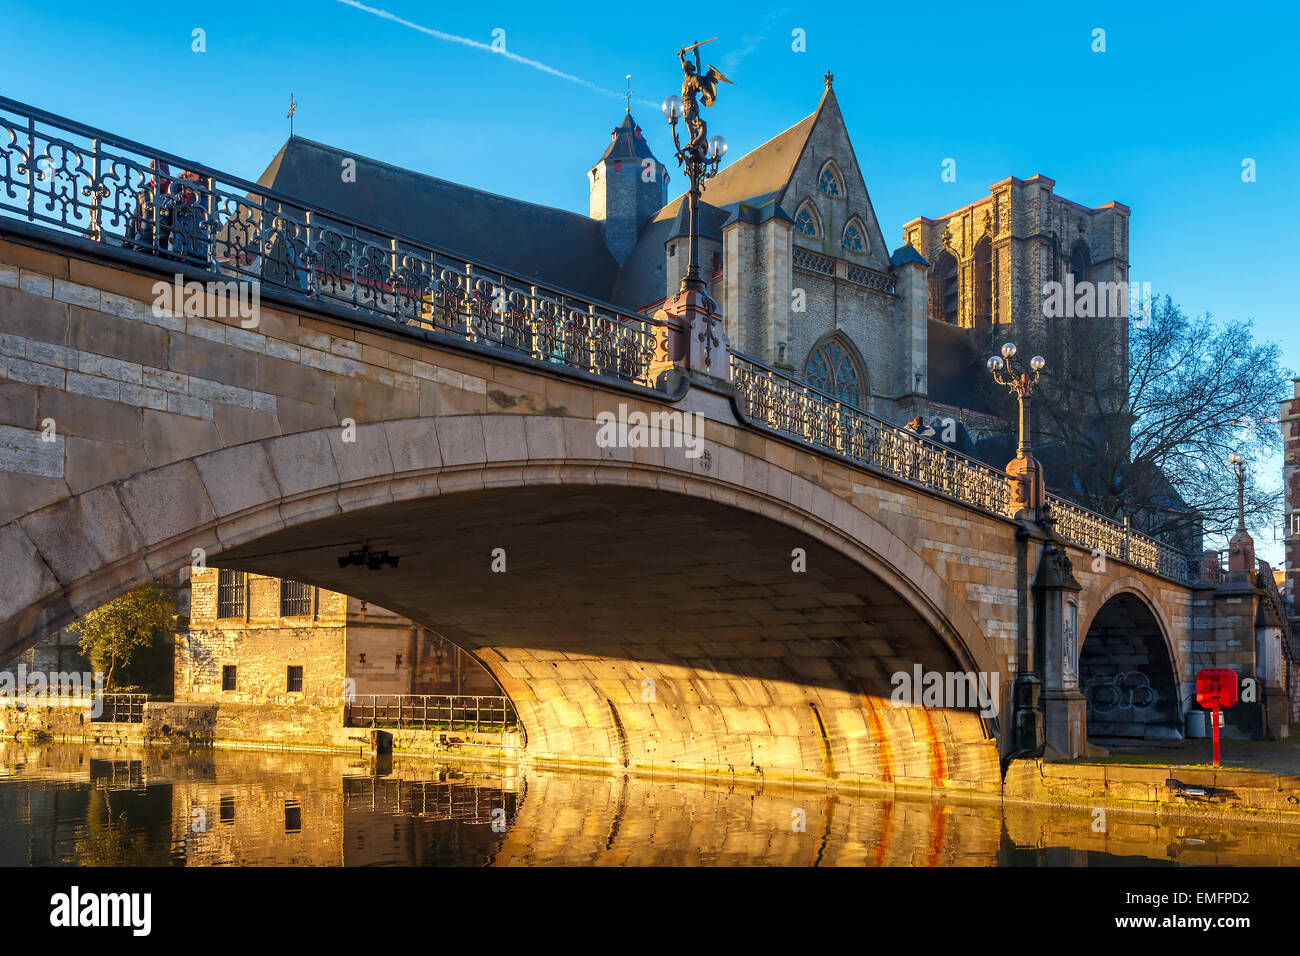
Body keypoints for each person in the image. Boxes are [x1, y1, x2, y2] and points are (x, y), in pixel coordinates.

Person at [125, 159, 171, 252]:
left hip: (164, 242)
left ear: (167, 174)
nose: (157, 175)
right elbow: (136, 217)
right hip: (143, 239)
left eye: (161, 172)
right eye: (153, 171)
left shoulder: (173, 192)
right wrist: (127, 242)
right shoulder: (144, 191)